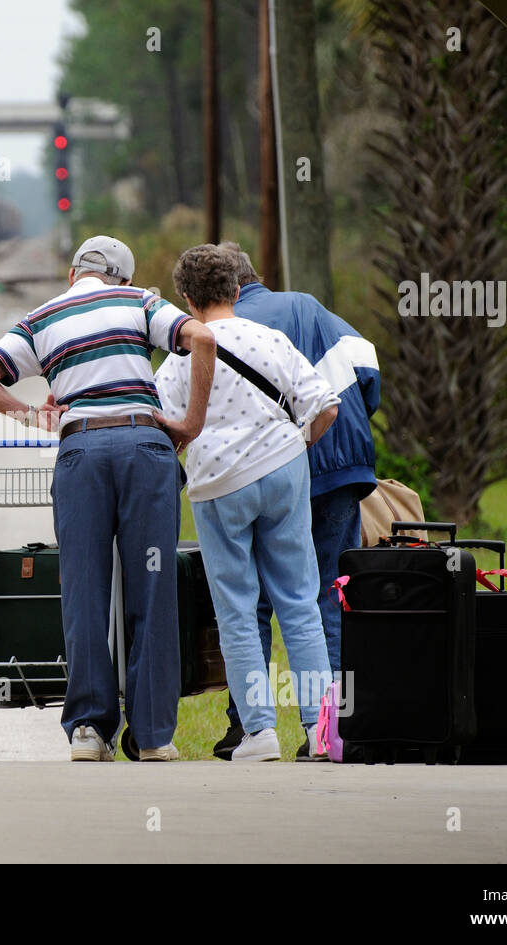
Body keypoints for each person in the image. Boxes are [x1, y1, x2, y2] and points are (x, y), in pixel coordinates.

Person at [0, 236, 216, 762]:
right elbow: (204, 340)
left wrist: (33, 415)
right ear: (121, 276)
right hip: (144, 448)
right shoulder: (139, 302)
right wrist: (190, 423)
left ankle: (88, 730)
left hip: (80, 452)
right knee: (153, 589)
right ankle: (151, 737)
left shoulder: (41, 318)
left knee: (82, 590)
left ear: (75, 273)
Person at [155, 244, 339, 762]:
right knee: (300, 605)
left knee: (236, 611)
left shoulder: (177, 359)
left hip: (219, 487)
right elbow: (326, 405)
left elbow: (165, 428)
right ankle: (321, 730)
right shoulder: (271, 339)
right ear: (238, 290)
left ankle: (258, 733)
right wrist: (296, 446)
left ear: (187, 300)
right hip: (282, 471)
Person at [210, 242, 381, 761]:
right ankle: (332, 728)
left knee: (254, 601)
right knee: (325, 593)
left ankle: (248, 727)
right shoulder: (308, 306)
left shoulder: (219, 326)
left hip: (269, 469)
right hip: (342, 465)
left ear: (226, 290)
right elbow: (367, 371)